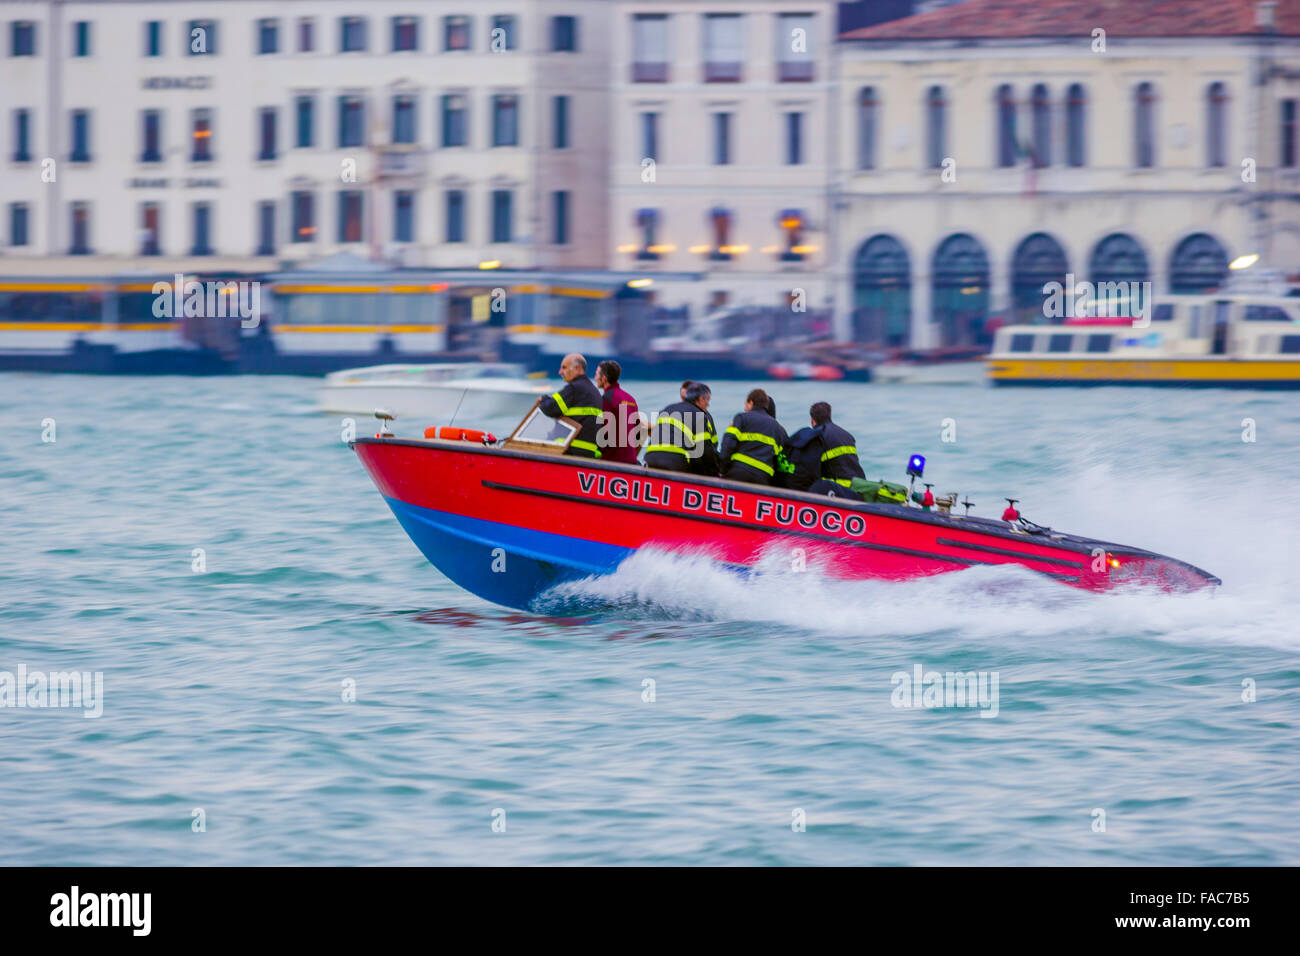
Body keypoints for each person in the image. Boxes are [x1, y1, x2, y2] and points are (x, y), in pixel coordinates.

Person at [644, 381, 720, 476]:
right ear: (701, 399)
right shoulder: (698, 414)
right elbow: (705, 450)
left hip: (650, 458)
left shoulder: (667, 409)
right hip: (674, 463)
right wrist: (715, 474)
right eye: (707, 400)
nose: (708, 404)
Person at [538, 353, 604, 459]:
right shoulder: (595, 392)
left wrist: (543, 399)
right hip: (589, 454)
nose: (560, 372)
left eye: (564, 368)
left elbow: (550, 408)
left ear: (577, 368)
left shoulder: (574, 388)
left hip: (569, 451)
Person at [719, 388, 788, 485]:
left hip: (738, 472)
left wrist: (722, 469)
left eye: (746, 404)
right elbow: (779, 460)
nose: (744, 408)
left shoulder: (742, 418)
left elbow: (728, 444)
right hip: (762, 478)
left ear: (751, 403)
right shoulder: (779, 429)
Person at [594, 359, 640, 465]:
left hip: (612, 461)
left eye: (596, 374)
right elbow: (637, 433)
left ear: (604, 379)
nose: (595, 378)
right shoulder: (631, 399)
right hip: (631, 460)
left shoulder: (607, 399)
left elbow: (602, 433)